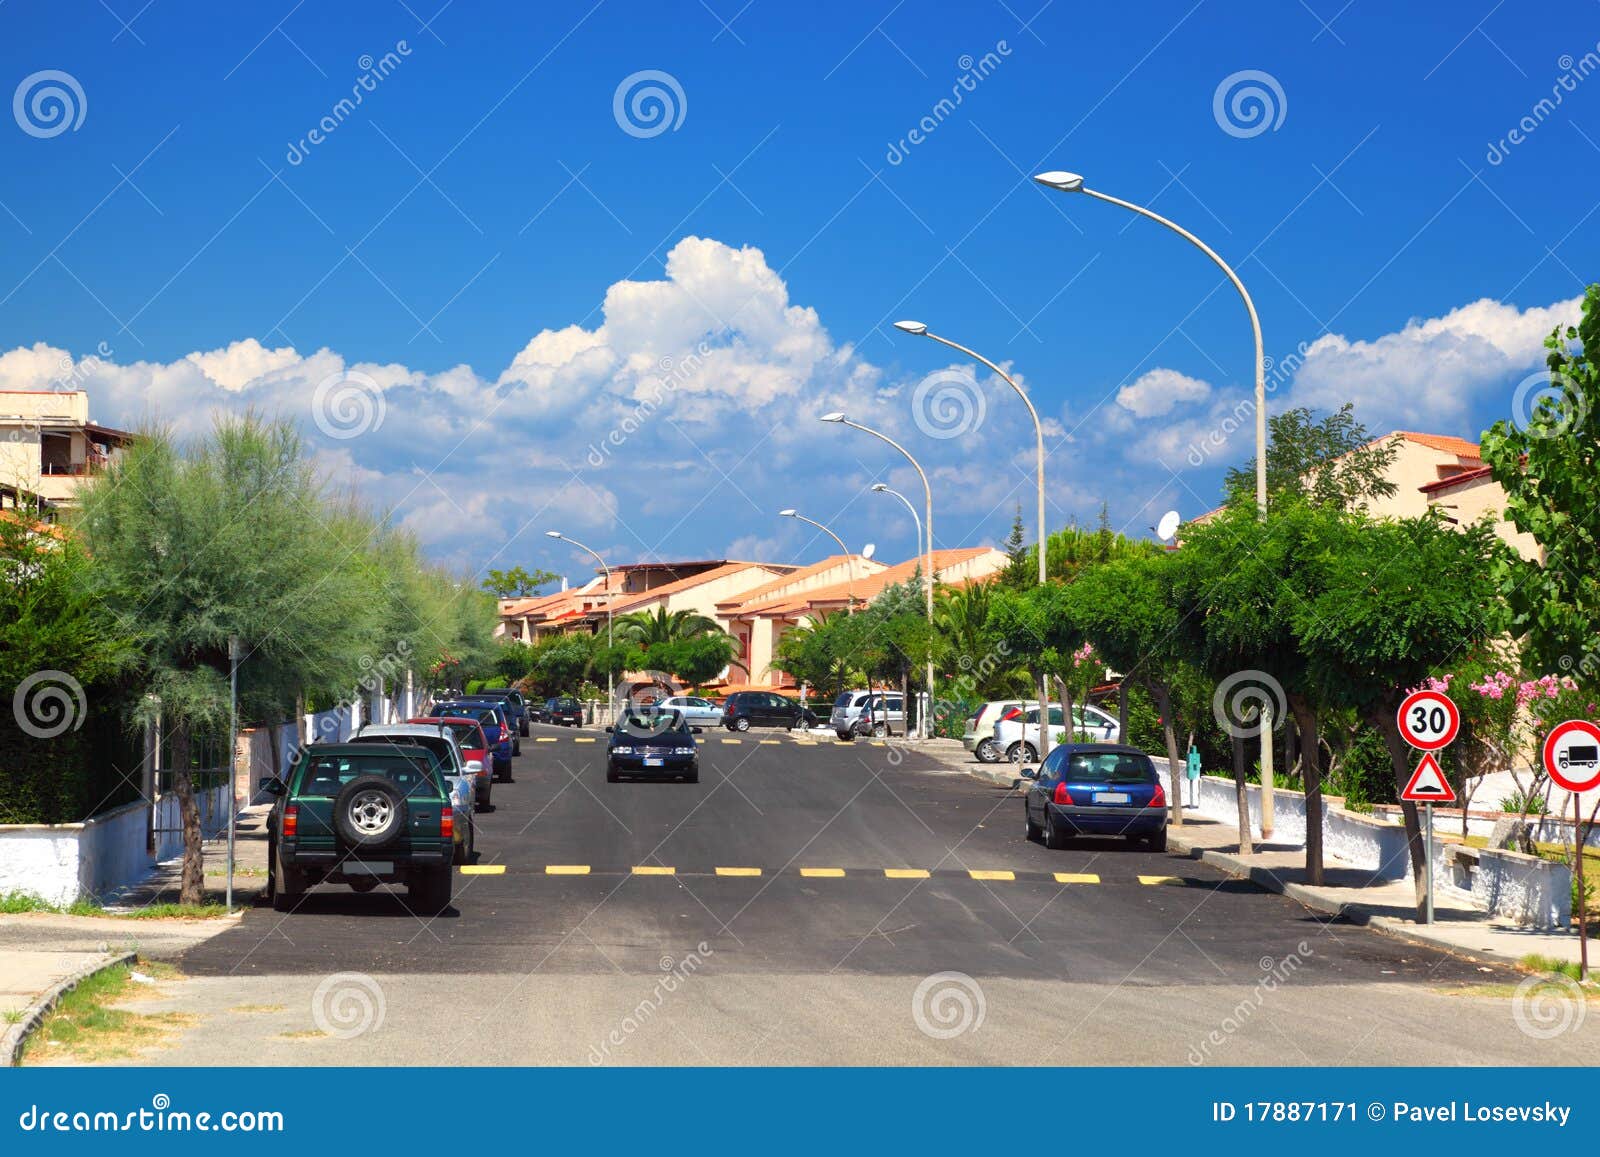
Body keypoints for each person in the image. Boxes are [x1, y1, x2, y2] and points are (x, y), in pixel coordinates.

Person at [1185, 742, 1202, 807]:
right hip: (1192, 772)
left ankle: (1192, 805)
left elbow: (1196, 765)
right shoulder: (1190, 756)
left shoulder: (1195, 756)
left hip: (1194, 772)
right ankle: (1191, 805)